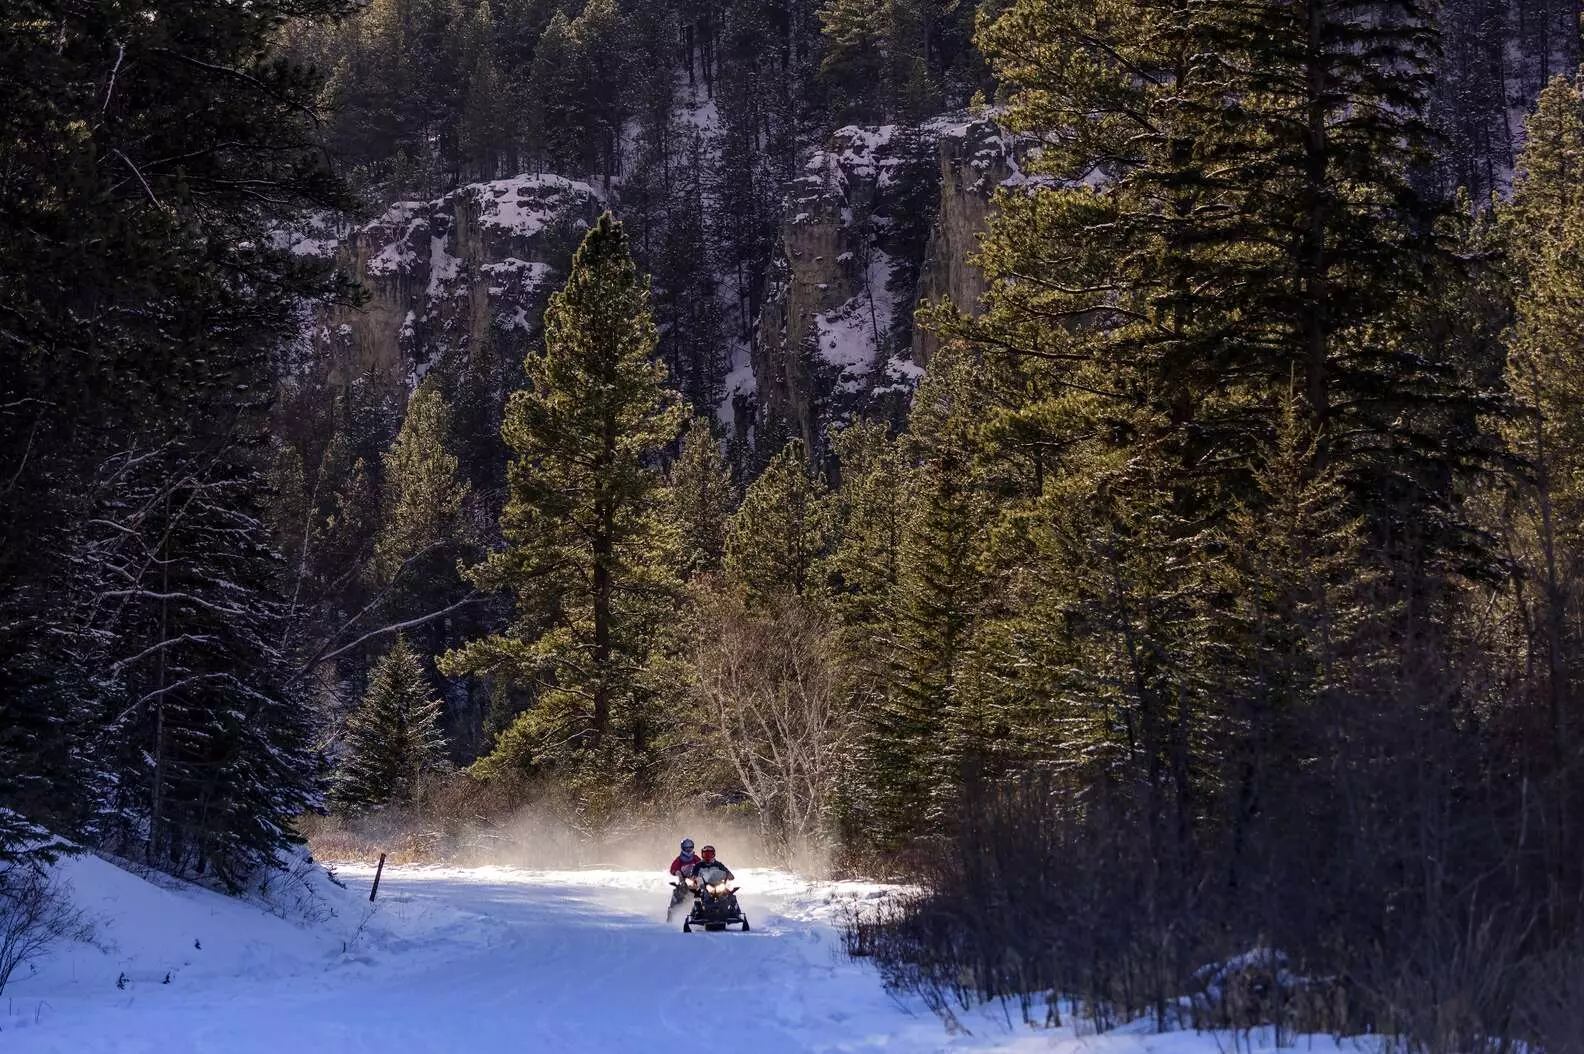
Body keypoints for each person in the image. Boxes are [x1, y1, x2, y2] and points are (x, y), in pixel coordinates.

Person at [666, 838, 700, 922]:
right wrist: (677, 872)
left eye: (690, 848)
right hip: (684, 881)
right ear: (683, 848)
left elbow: (701, 865)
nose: (688, 850)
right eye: (686, 848)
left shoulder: (695, 858)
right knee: (678, 892)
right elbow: (673, 868)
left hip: (695, 880)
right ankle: (671, 913)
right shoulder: (679, 859)